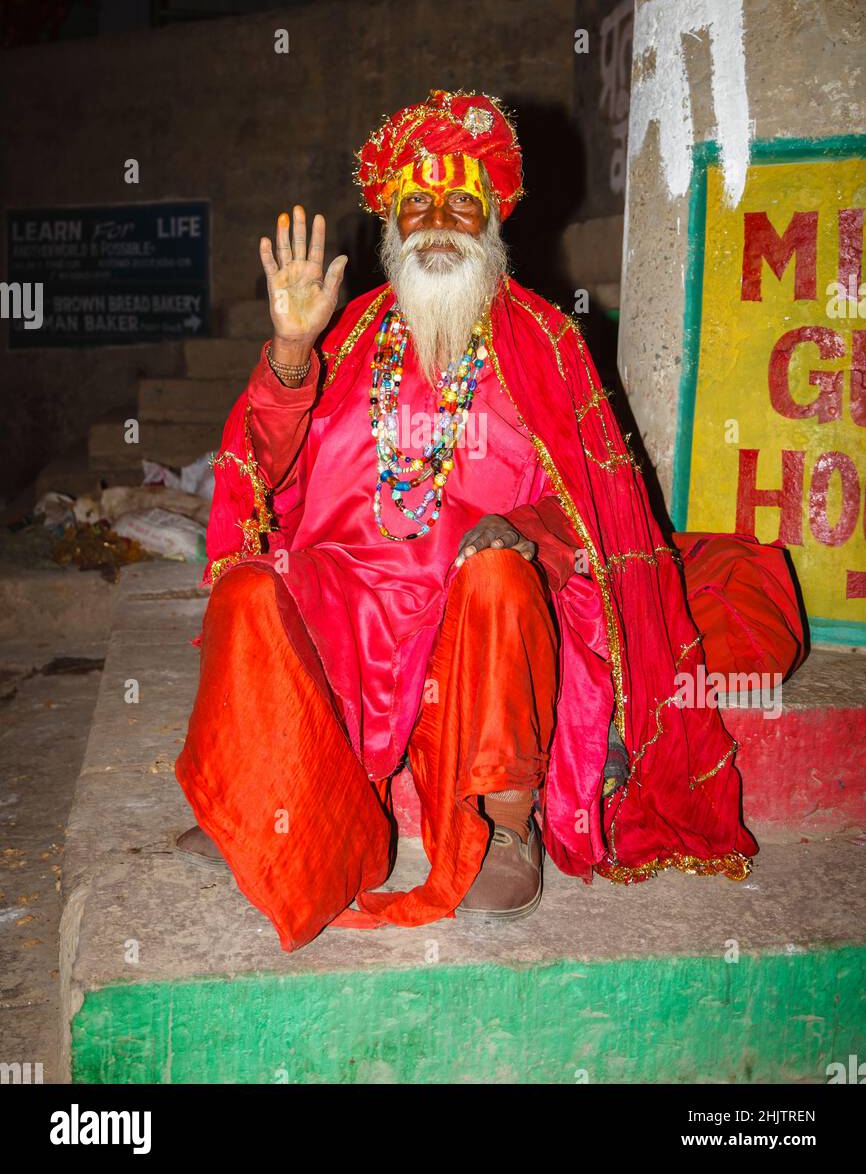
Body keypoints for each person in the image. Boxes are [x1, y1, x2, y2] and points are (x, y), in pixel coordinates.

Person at [175, 89, 756, 952]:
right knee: (253, 590)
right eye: (418, 204)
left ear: (491, 219)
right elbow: (264, 473)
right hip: (353, 594)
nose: (439, 222)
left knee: (495, 576)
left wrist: (523, 530)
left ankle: (505, 823)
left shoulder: (546, 341)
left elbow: (593, 504)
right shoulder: (347, 333)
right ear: (391, 225)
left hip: (475, 607)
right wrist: (291, 352)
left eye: (460, 202)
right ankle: (271, 799)